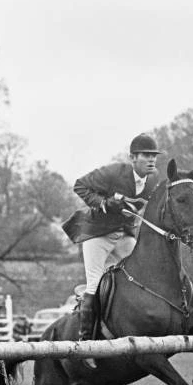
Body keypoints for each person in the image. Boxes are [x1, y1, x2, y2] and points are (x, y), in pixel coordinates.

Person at [62, 133, 161, 367]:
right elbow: (80, 185)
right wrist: (104, 203)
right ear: (133, 158)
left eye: (154, 156)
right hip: (97, 234)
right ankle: (86, 345)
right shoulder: (114, 173)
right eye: (146, 156)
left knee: (140, 277)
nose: (151, 161)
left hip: (123, 234)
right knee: (95, 282)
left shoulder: (154, 180)